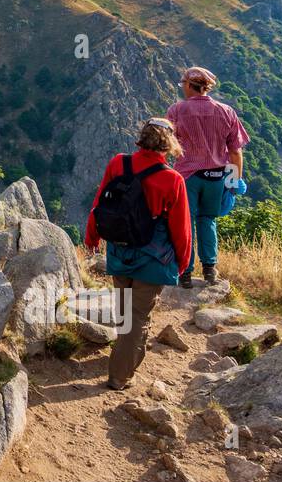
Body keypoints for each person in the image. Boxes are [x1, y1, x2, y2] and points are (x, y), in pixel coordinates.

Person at [85, 118, 192, 391]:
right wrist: (183, 262)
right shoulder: (172, 179)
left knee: (125, 314)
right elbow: (181, 228)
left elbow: (100, 202)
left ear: (141, 138)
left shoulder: (119, 163)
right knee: (138, 318)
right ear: (168, 145)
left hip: (120, 251)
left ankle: (121, 362)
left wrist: (92, 236)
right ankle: (120, 377)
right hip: (153, 259)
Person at [166, 66, 250, 288]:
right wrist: (233, 181)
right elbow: (235, 151)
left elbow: (167, 145)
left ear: (188, 85)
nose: (182, 87)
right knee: (208, 221)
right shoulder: (226, 111)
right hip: (216, 177)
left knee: (187, 223)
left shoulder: (176, 110)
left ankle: (185, 272)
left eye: (183, 84)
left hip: (187, 177)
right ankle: (210, 270)